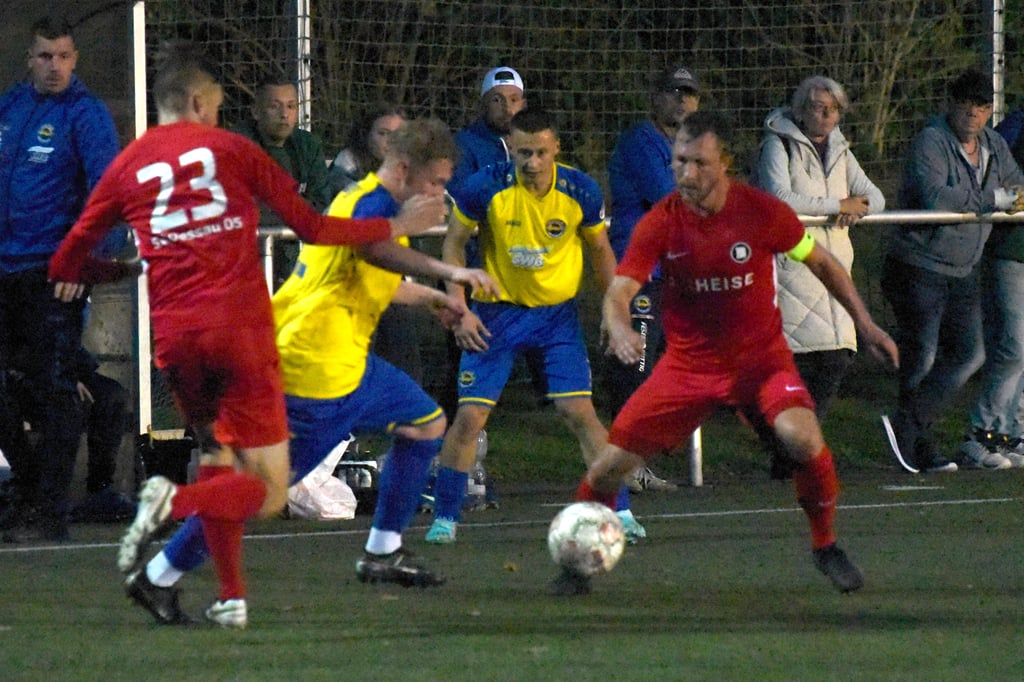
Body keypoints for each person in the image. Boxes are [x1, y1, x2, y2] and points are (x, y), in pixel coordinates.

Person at [48, 42, 446, 628]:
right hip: (241, 337)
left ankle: (220, 593)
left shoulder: (126, 164)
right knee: (267, 494)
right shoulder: (233, 149)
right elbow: (312, 225)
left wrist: (123, 270)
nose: (217, 114)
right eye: (215, 104)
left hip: (177, 344)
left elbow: (66, 264)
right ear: (197, 102)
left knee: (217, 456)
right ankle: (170, 503)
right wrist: (396, 225)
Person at [119, 118, 497, 625]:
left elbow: (368, 275)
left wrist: (433, 299)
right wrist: (452, 273)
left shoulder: (361, 200)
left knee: (427, 422)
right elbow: (373, 249)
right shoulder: (374, 211)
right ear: (405, 170)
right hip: (313, 371)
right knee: (261, 492)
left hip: (347, 363)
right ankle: (159, 571)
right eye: (436, 182)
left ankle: (382, 552)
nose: (441, 194)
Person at [553, 111, 899, 596]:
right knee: (607, 468)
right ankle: (575, 568)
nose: (686, 175)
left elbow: (820, 261)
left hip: (762, 362)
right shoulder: (661, 223)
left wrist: (865, 324)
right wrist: (619, 324)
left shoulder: (760, 211)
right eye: (678, 162)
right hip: (688, 368)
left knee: (802, 437)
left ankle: (826, 545)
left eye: (699, 163)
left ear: (726, 164)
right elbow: (620, 289)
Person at [425, 108, 643, 545]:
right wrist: (460, 307)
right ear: (511, 148)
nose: (532, 163)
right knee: (469, 417)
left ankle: (619, 510)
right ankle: (445, 517)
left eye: (541, 152)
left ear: (556, 149)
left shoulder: (580, 189)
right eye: (523, 152)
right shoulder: (485, 186)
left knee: (579, 412)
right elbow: (453, 242)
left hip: (555, 317)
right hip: (496, 314)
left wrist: (615, 309)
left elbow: (600, 249)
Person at [0, 17, 120, 542]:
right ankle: (29, 488)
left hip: (54, 273)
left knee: (55, 389)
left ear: (75, 60)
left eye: (65, 57)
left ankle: (49, 510)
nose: (56, 67)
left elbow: (110, 197)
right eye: (46, 56)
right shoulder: (11, 107)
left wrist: (82, 262)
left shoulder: (86, 116)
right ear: (30, 58)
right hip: (6, 270)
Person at [882, 69, 1024, 474]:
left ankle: (907, 426)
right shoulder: (931, 141)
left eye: (982, 108)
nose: (974, 116)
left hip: (962, 268)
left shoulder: (994, 144)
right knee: (923, 356)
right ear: (951, 104)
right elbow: (936, 195)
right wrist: (992, 199)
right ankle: (915, 446)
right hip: (919, 264)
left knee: (970, 352)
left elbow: (1017, 184)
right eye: (967, 106)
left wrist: (1007, 196)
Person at [754, 75, 885, 478]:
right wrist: (836, 205)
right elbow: (780, 199)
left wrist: (854, 206)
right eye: (817, 107)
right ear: (800, 109)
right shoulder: (778, 145)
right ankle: (788, 452)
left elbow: (875, 197)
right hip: (795, 267)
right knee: (795, 369)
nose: (826, 115)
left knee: (836, 360)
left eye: (833, 109)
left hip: (834, 270)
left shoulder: (841, 150)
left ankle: (792, 452)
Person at [605, 65, 702, 493]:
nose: (682, 100)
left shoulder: (687, 146)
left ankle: (633, 460)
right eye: (673, 92)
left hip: (669, 274)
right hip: (638, 273)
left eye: (689, 94)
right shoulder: (640, 142)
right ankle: (624, 464)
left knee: (660, 368)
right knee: (634, 366)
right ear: (655, 98)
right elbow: (671, 196)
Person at [953, 115, 1024, 469]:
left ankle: (1009, 433)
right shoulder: (1014, 126)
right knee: (1011, 346)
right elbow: (996, 178)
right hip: (1010, 249)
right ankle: (980, 435)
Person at [232, 74, 332, 288]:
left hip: (299, 260)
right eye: (274, 106)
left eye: (290, 106)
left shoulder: (308, 146)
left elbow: (322, 204)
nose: (284, 114)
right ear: (256, 112)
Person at [327, 102, 406, 196]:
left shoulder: (412, 164)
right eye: (383, 133)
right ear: (366, 134)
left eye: (398, 134)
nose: (391, 140)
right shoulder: (348, 163)